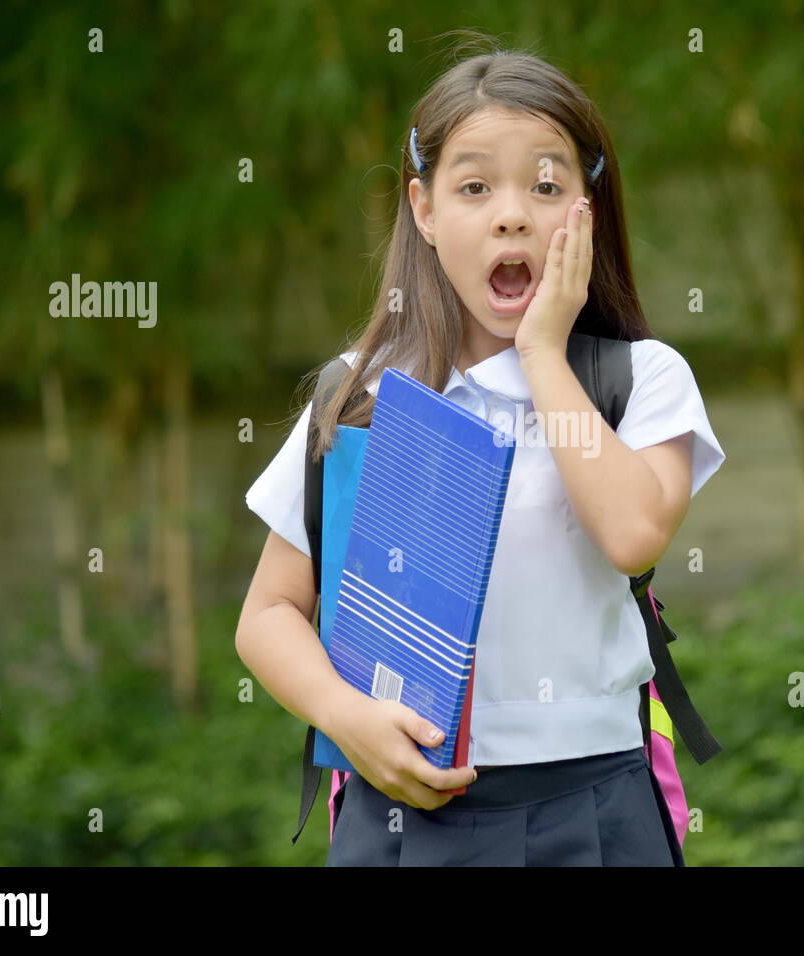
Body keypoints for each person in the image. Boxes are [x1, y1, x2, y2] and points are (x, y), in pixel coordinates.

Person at [235, 46, 726, 866]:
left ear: (588, 208)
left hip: (596, 811)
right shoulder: (362, 395)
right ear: (423, 211)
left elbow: (635, 533)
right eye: (474, 187)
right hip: (404, 817)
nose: (512, 215)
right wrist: (347, 717)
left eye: (546, 185)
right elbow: (269, 615)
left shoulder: (640, 378)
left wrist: (542, 353)